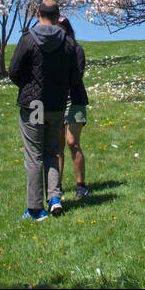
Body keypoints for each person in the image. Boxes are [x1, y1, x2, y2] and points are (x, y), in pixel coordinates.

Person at [8, 0, 88, 219]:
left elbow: (14, 70)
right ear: (57, 16)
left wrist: (29, 87)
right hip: (56, 104)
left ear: (37, 14)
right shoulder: (69, 43)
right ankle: (54, 198)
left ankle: (35, 209)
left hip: (34, 104)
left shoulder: (29, 39)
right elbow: (75, 77)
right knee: (53, 151)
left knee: (34, 154)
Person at [56, 16, 90, 198]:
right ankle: (57, 187)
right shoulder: (50, 53)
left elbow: (77, 75)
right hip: (56, 102)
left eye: (62, 28)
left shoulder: (76, 50)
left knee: (72, 142)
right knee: (57, 146)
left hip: (74, 100)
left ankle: (81, 185)